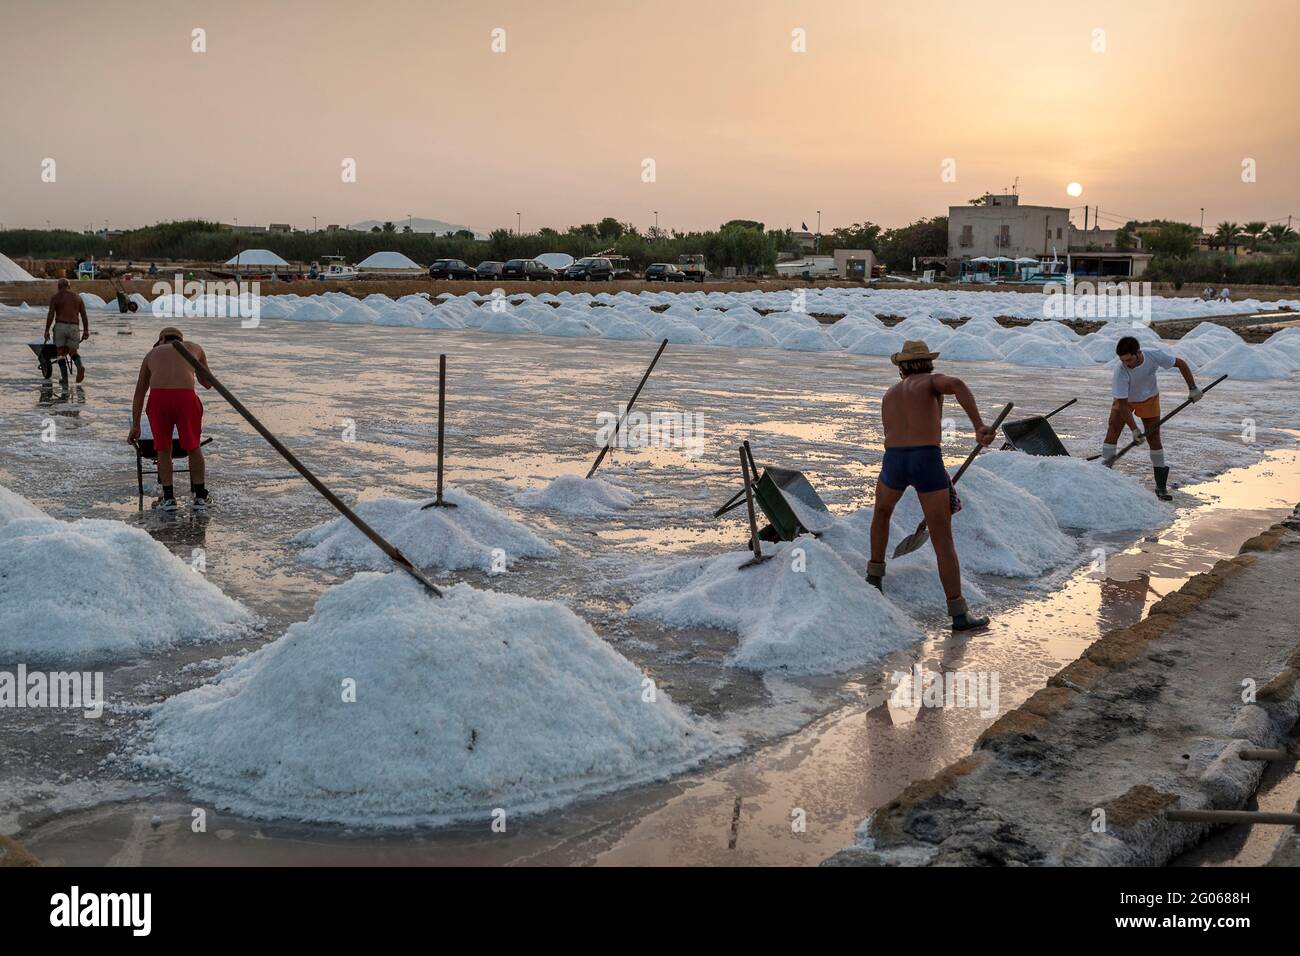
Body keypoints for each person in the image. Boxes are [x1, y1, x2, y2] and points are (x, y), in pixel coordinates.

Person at [867, 340, 995, 632]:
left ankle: (874, 578)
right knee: (942, 538)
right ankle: (958, 613)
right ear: (928, 363)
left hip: (894, 460)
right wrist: (978, 426)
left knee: (882, 514)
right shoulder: (931, 382)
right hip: (926, 458)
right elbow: (959, 384)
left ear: (901, 366)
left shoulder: (890, 394)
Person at [1102, 336, 1201, 501]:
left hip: (1149, 399)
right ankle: (1104, 475)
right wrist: (1134, 429)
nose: (1126, 363)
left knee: (1154, 438)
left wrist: (1193, 388)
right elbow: (1123, 405)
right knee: (1113, 430)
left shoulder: (1153, 355)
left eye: (1129, 359)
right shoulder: (1120, 371)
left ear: (1138, 353)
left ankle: (1161, 486)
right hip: (1125, 401)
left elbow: (1180, 364)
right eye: (1123, 360)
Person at [128, 327, 213, 511]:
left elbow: (140, 392)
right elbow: (207, 384)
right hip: (186, 399)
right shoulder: (194, 348)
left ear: (161, 340)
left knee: (163, 448)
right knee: (193, 446)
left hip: (159, 400)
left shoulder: (152, 353)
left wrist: (135, 425)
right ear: (182, 339)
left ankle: (168, 499)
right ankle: (199, 497)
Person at [43, 278, 90, 382]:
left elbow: (51, 314)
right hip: (74, 327)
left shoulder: (56, 297)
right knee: (73, 352)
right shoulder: (78, 297)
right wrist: (86, 330)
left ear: (59, 287)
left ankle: (65, 379)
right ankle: (80, 366)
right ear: (69, 286)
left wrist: (46, 330)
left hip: (60, 326)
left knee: (61, 353)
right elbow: (84, 315)